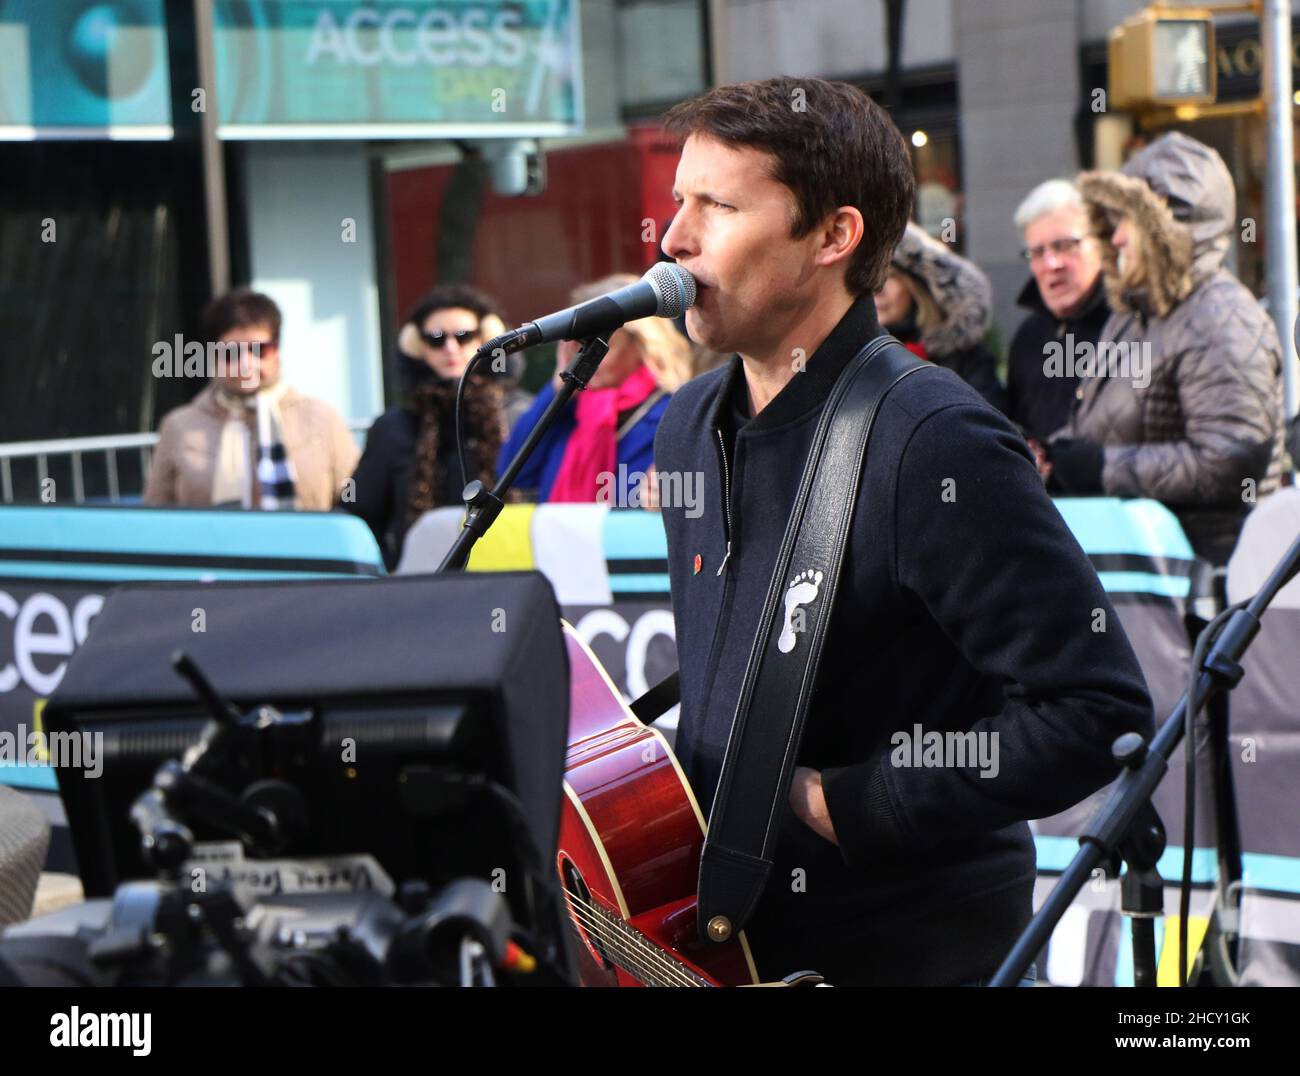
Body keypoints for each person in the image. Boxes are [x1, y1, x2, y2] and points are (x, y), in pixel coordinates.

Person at [653, 76, 1153, 987]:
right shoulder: (691, 421)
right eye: (676, 202)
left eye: (716, 206)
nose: (673, 238)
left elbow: (1098, 711)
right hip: (746, 947)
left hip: (916, 953)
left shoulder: (934, 438)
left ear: (833, 237)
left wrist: (867, 801)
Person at [1048, 132, 1286, 567]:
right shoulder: (1135, 312)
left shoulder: (1221, 318)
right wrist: (1053, 455)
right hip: (1142, 572)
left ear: (1166, 227)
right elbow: (1101, 426)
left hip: (1206, 584)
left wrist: (1103, 467)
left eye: (1127, 222)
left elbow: (1229, 459)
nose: (1116, 238)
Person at [144, 289, 358, 511]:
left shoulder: (321, 418)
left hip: (307, 545)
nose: (246, 364)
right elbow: (156, 512)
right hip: (212, 546)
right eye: (231, 353)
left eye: (259, 351)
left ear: (276, 351)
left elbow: (355, 499)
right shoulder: (179, 426)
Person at [345, 285, 508, 569]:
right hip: (419, 585)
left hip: (505, 579)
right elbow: (360, 515)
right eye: (435, 339)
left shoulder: (517, 416)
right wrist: (387, 574)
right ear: (417, 346)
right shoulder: (392, 427)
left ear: (487, 338)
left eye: (463, 336)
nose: (450, 347)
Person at [498, 273, 692, 504]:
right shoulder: (570, 408)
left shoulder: (675, 412)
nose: (586, 355)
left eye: (602, 345)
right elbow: (514, 476)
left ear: (641, 344)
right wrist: (557, 390)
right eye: (581, 344)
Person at [1007, 179, 1109, 449]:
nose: (1052, 264)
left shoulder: (1128, 326)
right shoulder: (1028, 336)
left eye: (1065, 245)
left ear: (1099, 244)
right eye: (1038, 252)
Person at [874, 222, 1006, 413]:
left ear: (917, 286)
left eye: (890, 276)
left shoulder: (963, 355)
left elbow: (988, 421)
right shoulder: (856, 356)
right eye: (872, 277)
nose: (878, 289)